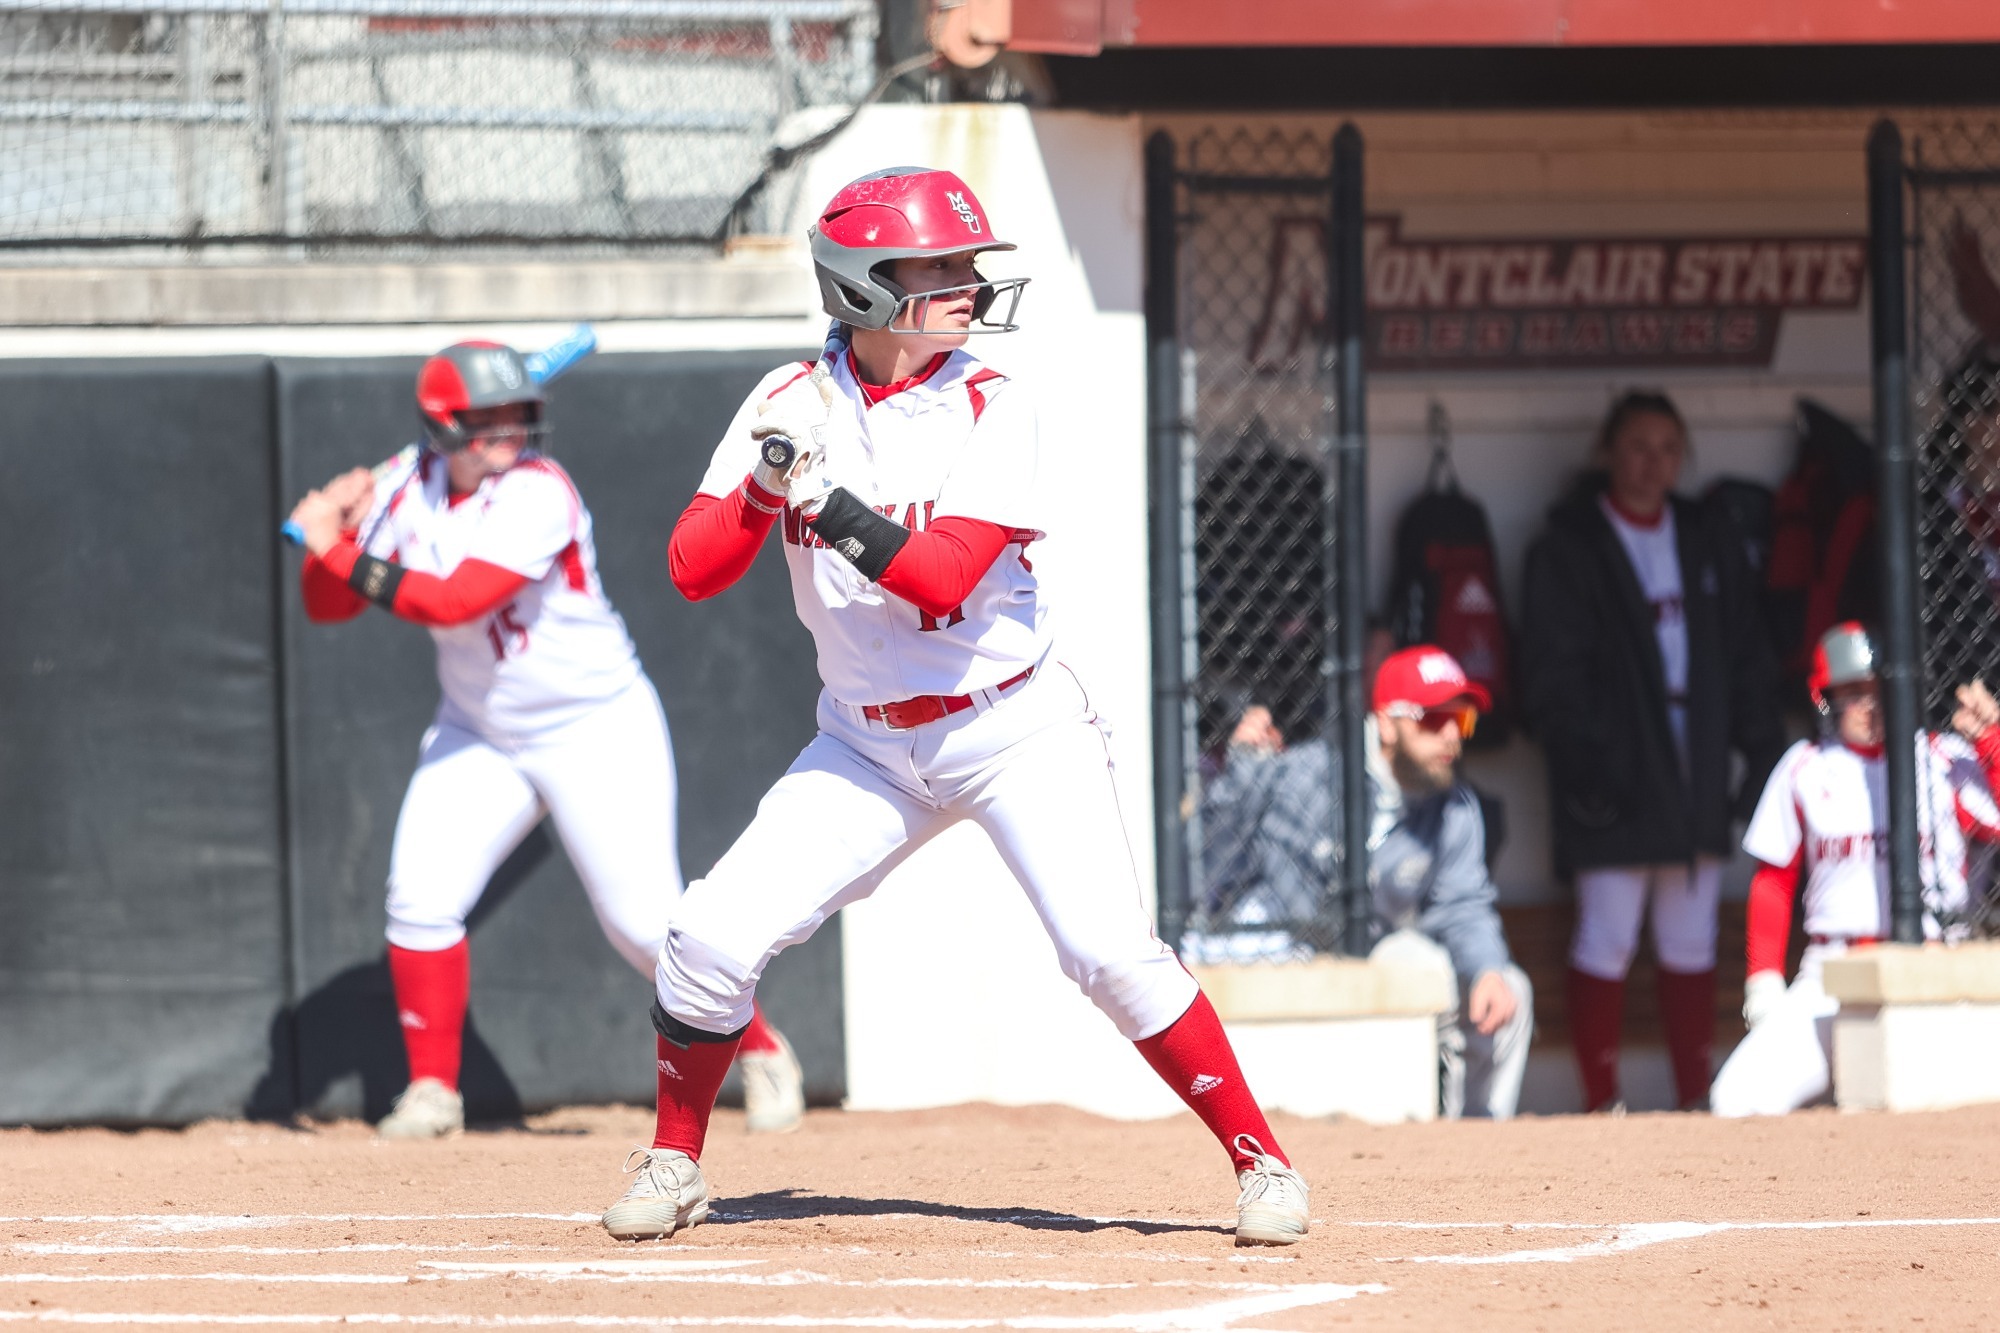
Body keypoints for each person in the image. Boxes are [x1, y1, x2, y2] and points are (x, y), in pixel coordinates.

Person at [599, 166, 1310, 1247]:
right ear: (859, 282)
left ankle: (1261, 1164)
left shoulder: (995, 401)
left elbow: (938, 577)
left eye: (964, 264)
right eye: (932, 267)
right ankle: (674, 1158)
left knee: (1108, 954)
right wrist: (757, 483)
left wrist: (824, 504)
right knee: (701, 938)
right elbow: (692, 568)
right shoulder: (784, 399)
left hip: (1009, 725)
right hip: (864, 744)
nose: (962, 284)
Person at [287, 340, 804, 1139]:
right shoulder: (407, 493)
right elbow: (329, 605)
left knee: (642, 924)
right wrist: (339, 531)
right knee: (419, 899)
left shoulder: (541, 493)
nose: (507, 430)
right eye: (485, 419)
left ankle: (761, 1047)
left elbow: (456, 600)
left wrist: (333, 546)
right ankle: (433, 1091)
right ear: (443, 426)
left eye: (513, 413)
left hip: (592, 723)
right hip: (481, 728)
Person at [1522, 390, 1786, 1113]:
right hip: (1616, 765)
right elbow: (1553, 672)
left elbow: (1744, 652)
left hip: (1692, 758)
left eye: (1668, 449)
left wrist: (1758, 752)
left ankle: (1691, 1099)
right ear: (1608, 451)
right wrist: (1591, 761)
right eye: (1638, 446)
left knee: (1691, 936)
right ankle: (1600, 1100)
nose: (1652, 463)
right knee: (1606, 931)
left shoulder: (1705, 535)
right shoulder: (1571, 543)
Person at [1201, 646, 1532, 1118]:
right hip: (1286, 945)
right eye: (1435, 719)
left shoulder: (1455, 805)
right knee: (1420, 964)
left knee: (1508, 985)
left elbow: (1464, 904)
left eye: (1461, 721)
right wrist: (1243, 773)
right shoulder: (1310, 772)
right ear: (1388, 722)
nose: (1450, 738)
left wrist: (1488, 967)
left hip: (1377, 943)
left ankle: (1479, 1140)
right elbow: (1214, 862)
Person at [1711, 623, 2000, 1117]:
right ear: (1824, 699)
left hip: (1930, 971)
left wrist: (1992, 745)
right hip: (1831, 974)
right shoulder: (1804, 766)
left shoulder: (1941, 758)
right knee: (1736, 1101)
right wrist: (1762, 980)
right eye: (1852, 693)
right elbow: (1774, 882)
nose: (1869, 705)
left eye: (1877, 690)